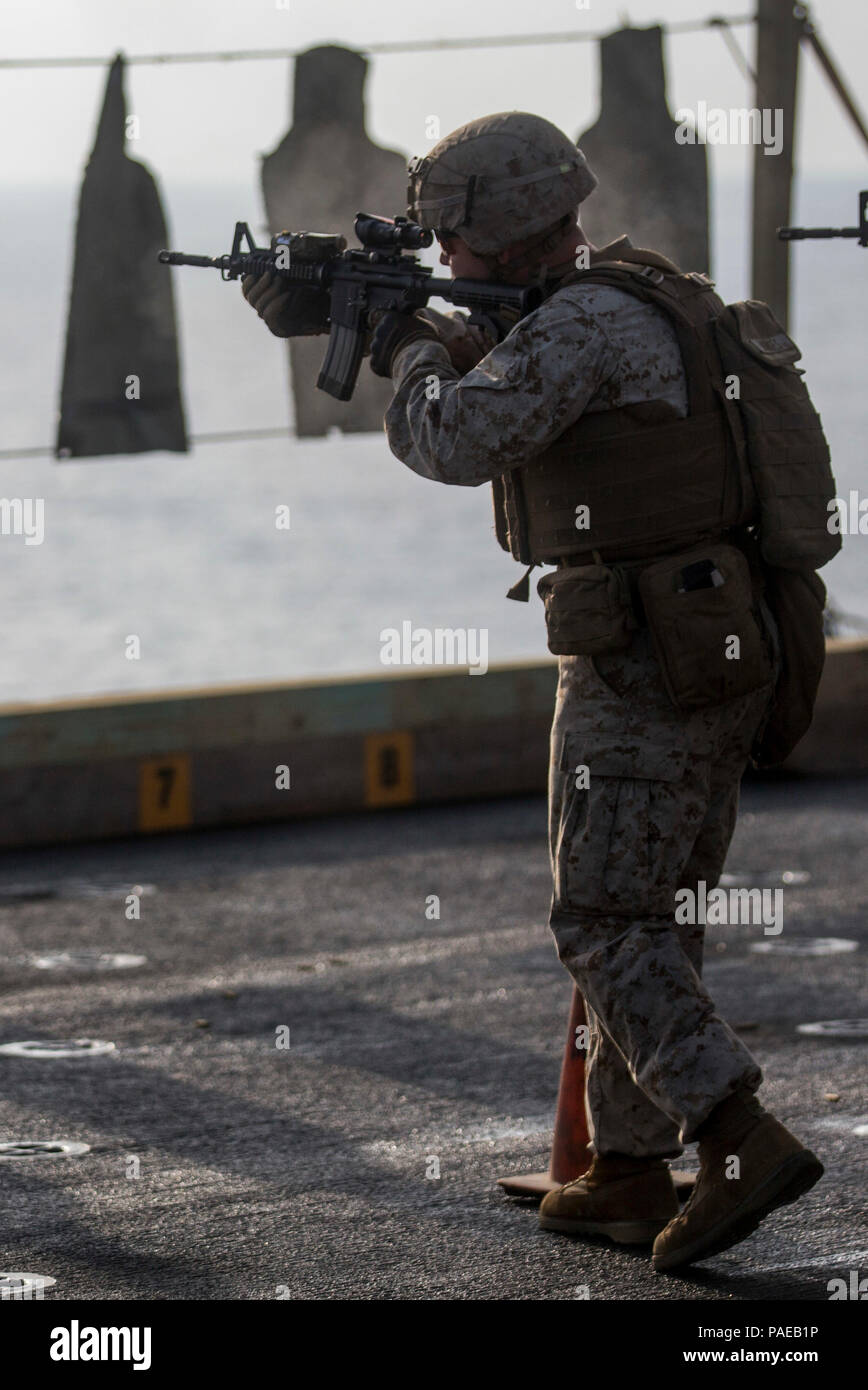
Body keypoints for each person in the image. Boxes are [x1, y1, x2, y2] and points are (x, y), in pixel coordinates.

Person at [242, 111, 824, 1272]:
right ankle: (623, 1167)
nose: (444, 261)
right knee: (655, 909)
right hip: (721, 639)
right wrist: (412, 317)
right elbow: (535, 387)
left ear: (499, 234)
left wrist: (401, 338)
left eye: (450, 243)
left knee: (601, 918)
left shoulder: (580, 326)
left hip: (637, 660)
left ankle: (735, 1136)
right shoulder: (633, 293)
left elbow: (452, 439)